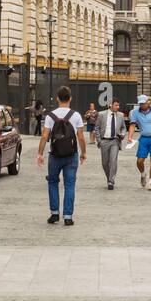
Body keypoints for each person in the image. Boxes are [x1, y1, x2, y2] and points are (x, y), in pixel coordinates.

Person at [38, 86, 85, 224]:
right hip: (71, 155)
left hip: (54, 154)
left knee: (52, 183)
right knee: (70, 185)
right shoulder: (75, 115)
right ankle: (68, 216)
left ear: (57, 98)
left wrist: (40, 153)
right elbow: (81, 137)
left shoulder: (50, 116)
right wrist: (84, 153)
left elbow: (44, 136)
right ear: (70, 98)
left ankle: (54, 213)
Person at [127, 94, 151, 190]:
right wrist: (130, 137)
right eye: (140, 103)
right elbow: (132, 125)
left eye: (143, 103)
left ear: (148, 102)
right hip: (144, 138)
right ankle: (143, 173)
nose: (142, 105)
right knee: (139, 161)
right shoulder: (135, 112)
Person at [95, 99, 127, 190]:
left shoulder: (121, 115)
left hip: (115, 141)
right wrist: (99, 141)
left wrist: (122, 134)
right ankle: (109, 177)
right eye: (116, 105)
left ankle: (111, 181)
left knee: (113, 161)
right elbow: (96, 128)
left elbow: (123, 128)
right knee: (105, 163)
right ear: (110, 105)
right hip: (104, 141)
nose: (118, 107)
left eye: (118, 105)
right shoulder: (101, 114)